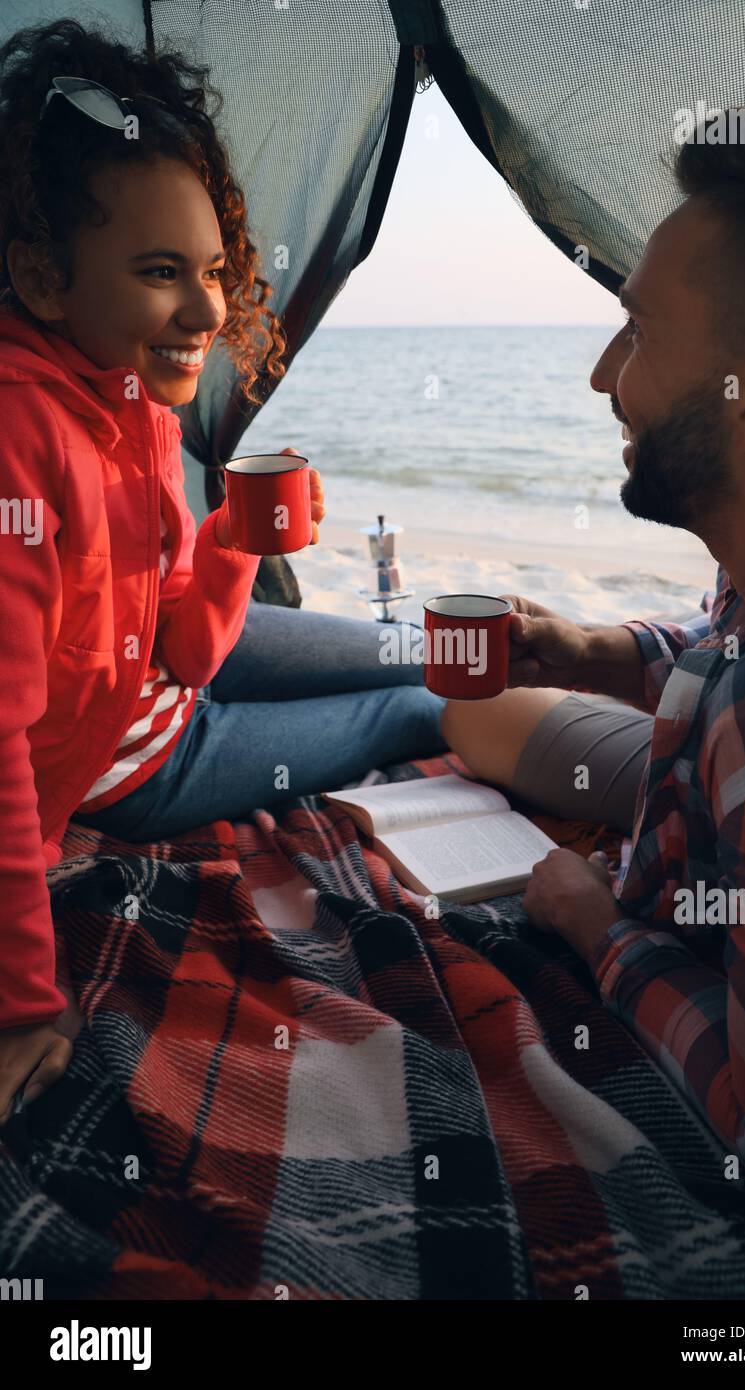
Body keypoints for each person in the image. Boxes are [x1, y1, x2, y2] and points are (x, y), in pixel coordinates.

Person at [0, 21, 444, 1123]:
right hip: (125, 757)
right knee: (418, 703)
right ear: (41, 276)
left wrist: (241, 535)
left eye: (211, 271)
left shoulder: (138, 401)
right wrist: (18, 1001)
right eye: (160, 273)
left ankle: (616, 683)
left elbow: (192, 644)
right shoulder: (18, 432)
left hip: (162, 668)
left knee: (430, 642)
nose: (207, 311)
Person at [444, 108, 745, 1203]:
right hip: (719, 779)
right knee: (465, 711)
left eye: (633, 331)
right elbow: (729, 638)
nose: (600, 377)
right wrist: (579, 647)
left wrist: (593, 923)